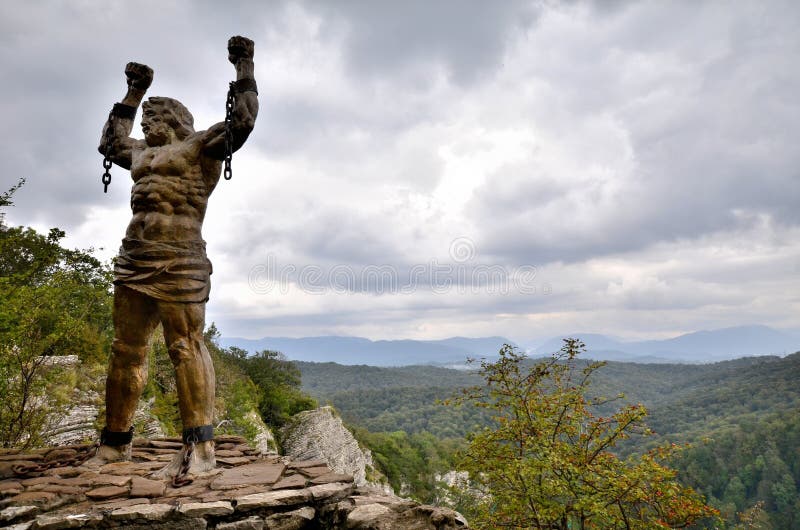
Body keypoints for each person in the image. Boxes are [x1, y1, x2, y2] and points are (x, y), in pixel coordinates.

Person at [91, 36, 258, 478]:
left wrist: (245, 67)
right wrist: (134, 92)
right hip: (134, 256)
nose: (147, 121)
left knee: (185, 347)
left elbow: (241, 123)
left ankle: (200, 450)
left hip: (180, 257)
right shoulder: (141, 153)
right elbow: (109, 143)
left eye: (152, 114)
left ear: (175, 119)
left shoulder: (200, 146)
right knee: (124, 349)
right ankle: (114, 444)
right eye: (145, 117)